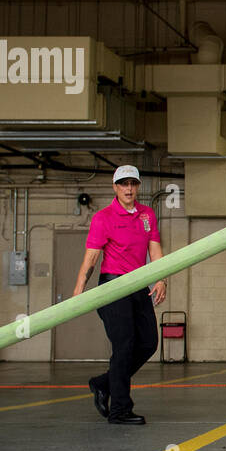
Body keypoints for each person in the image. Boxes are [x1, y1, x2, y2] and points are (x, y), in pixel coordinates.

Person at [73, 165, 166, 425]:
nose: (128, 188)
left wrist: (161, 277)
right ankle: (120, 410)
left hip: (138, 285)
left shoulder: (147, 215)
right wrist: (79, 290)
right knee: (124, 346)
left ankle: (103, 383)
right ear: (115, 187)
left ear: (138, 187)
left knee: (148, 343)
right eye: (123, 184)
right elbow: (91, 258)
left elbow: (155, 249)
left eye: (133, 184)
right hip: (113, 287)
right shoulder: (103, 217)